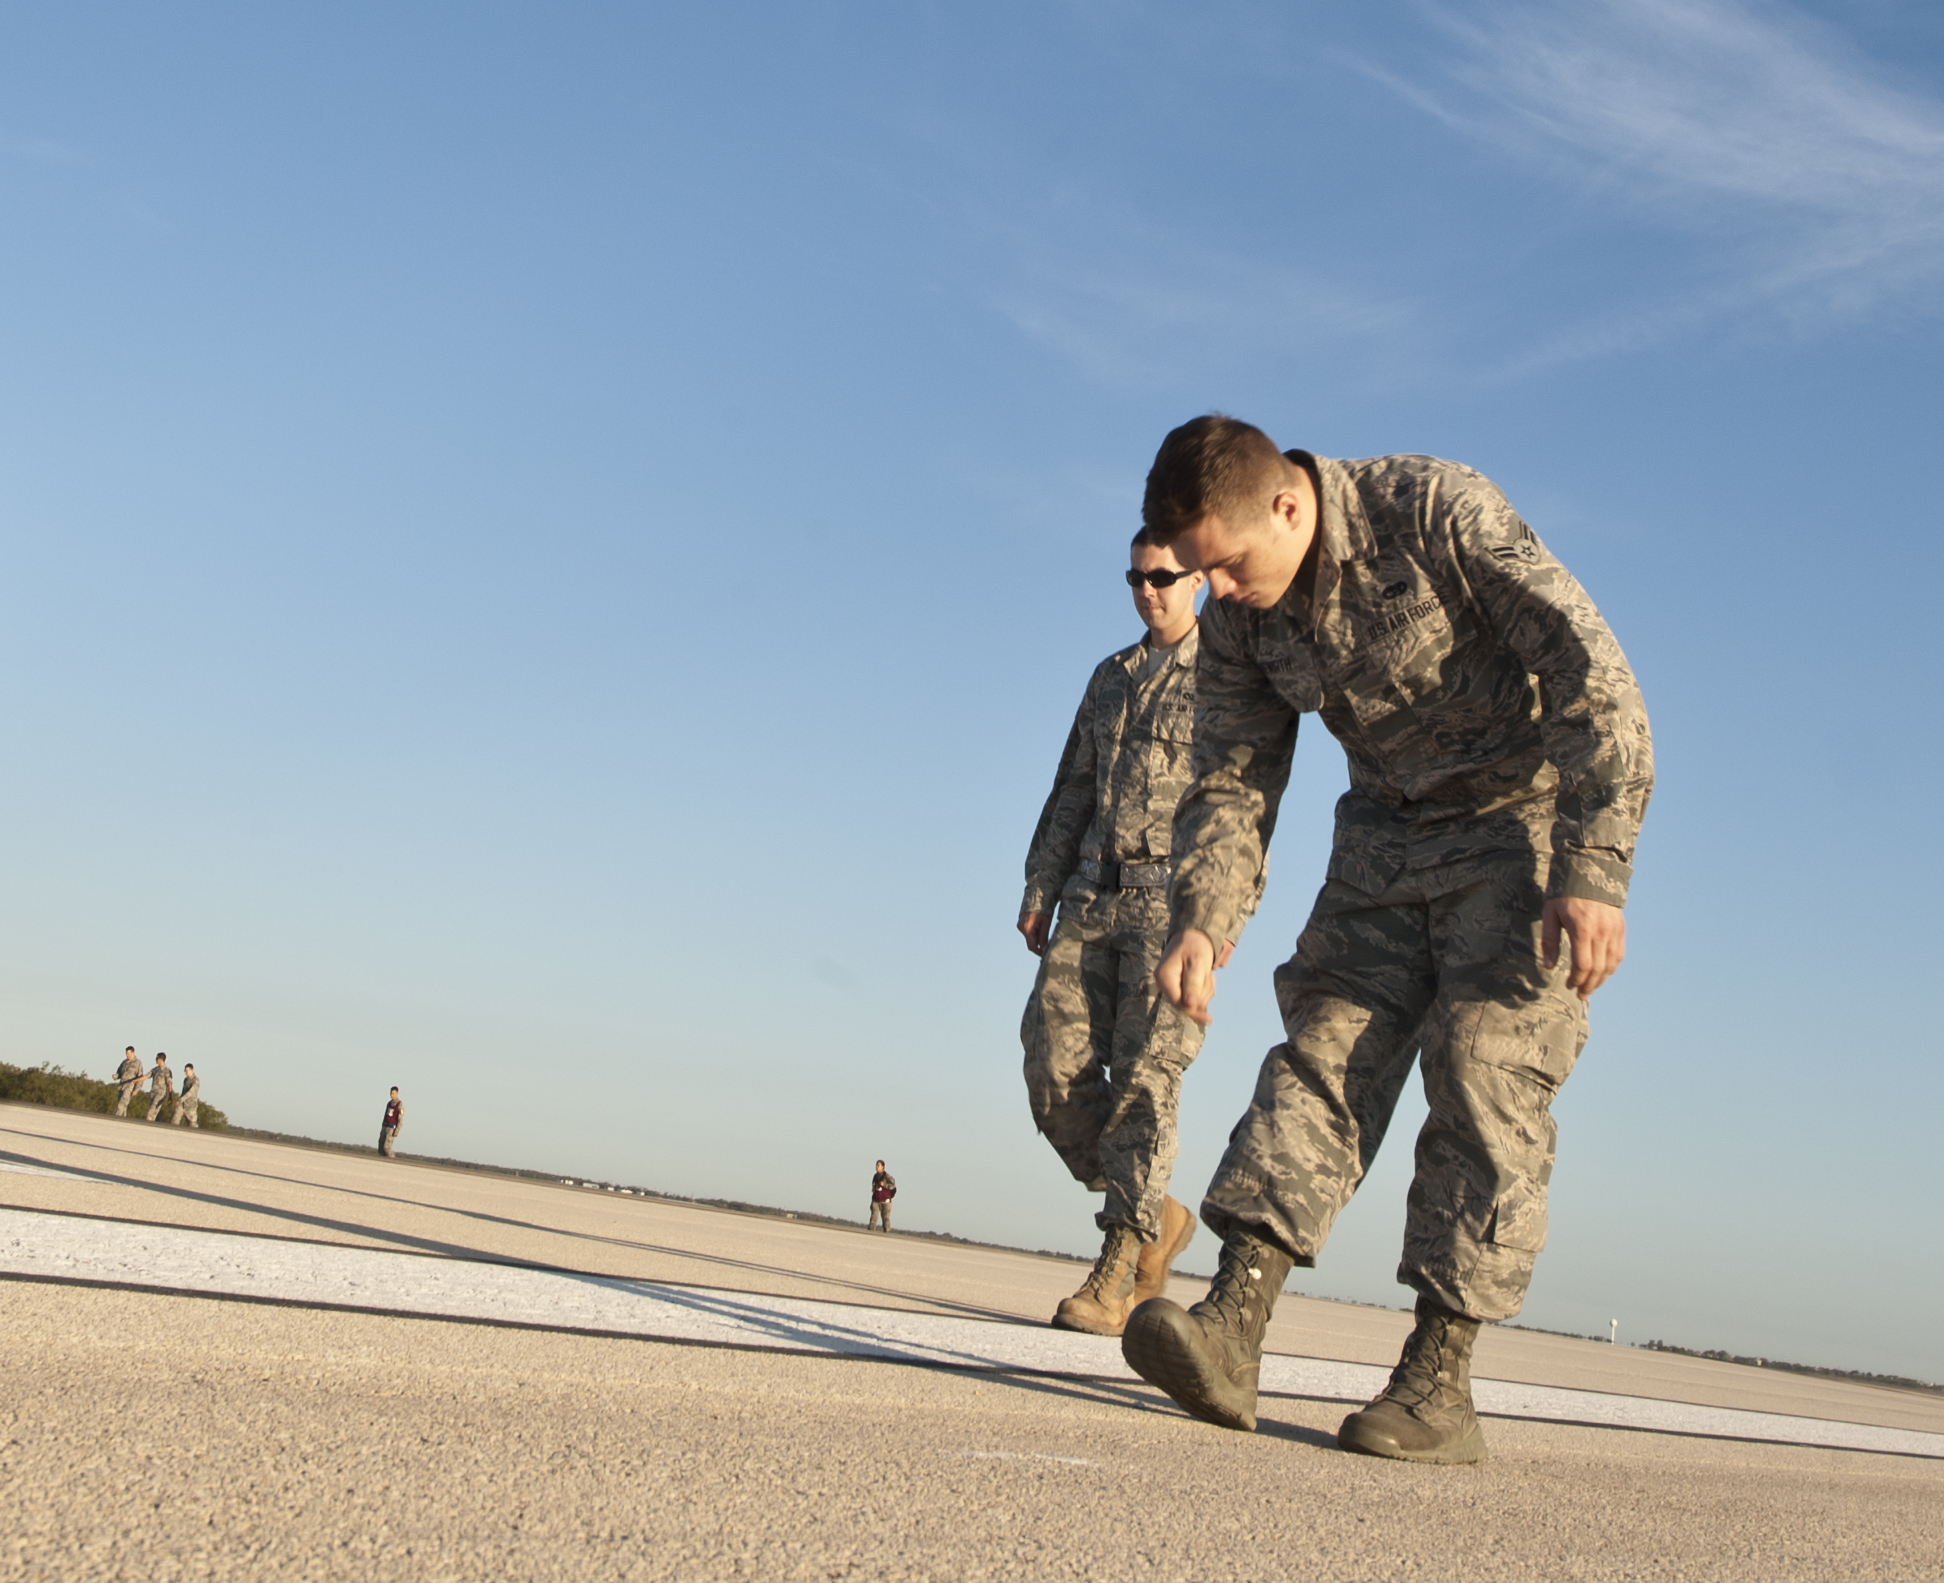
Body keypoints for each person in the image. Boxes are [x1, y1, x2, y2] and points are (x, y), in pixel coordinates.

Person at [1119, 417, 1653, 1465]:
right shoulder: (1239, 614)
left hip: (1520, 826)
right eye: (1195, 573)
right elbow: (1231, 772)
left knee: (1483, 1076)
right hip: (1386, 832)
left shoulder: (1434, 510)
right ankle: (1231, 1324)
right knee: (1320, 1050)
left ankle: (1437, 1382)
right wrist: (1203, 915)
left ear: (1287, 506)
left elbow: (1594, 676)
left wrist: (1595, 868)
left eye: (1223, 565)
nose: (1213, 593)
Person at [1017, 532, 1222, 1336]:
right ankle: (1157, 1210)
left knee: (1146, 1081)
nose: (1148, 591)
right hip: (1089, 897)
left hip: (1170, 909)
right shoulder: (1111, 679)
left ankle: (1121, 1266)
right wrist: (1041, 884)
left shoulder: (1223, 682)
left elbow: (1246, 809)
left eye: (1163, 577)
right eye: (1136, 578)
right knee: (1052, 1071)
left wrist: (1215, 922)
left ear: (1198, 579)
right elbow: (1070, 786)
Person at [143, 1053, 173, 1125]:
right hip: (153, 1093)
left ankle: (147, 1124)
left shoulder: (167, 1071)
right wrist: (135, 1080)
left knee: (152, 1110)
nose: (156, 1060)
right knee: (156, 1112)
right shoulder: (155, 1069)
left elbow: (169, 1084)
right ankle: (159, 1124)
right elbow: (146, 1076)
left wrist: (170, 1096)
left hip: (160, 1094)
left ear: (161, 1059)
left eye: (158, 1058)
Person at [113, 1047, 143, 1117]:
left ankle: (115, 1118)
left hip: (129, 1087)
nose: (127, 1055)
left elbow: (140, 1077)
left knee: (122, 1104)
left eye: (129, 1053)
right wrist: (115, 1076)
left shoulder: (137, 1063)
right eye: (126, 1053)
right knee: (123, 1107)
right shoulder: (124, 1062)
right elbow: (119, 1073)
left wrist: (136, 1090)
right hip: (121, 1086)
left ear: (133, 1053)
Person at [868, 1161, 896, 1232]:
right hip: (876, 1199)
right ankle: (871, 1231)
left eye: (878, 1165)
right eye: (876, 1165)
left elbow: (893, 1185)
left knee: (885, 1218)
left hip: (885, 1201)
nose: (876, 1167)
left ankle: (886, 1232)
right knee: (873, 1216)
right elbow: (874, 1188)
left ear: (882, 1167)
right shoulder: (875, 1176)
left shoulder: (887, 1176)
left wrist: (885, 1185)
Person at [172, 1063, 201, 1128]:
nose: (185, 1072)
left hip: (190, 1105)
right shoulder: (186, 1080)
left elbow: (190, 1092)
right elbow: (183, 1092)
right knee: (175, 1120)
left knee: (192, 1124)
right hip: (182, 1104)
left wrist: (181, 1099)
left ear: (191, 1070)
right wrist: (179, 1100)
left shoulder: (196, 1081)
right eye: (185, 1071)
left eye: (186, 1071)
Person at [378, 1088, 402, 1157]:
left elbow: (400, 1119)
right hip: (385, 1126)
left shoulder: (399, 1104)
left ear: (397, 1094)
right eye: (391, 1093)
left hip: (392, 1128)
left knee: (386, 1146)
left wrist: (397, 1130)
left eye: (394, 1093)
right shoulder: (389, 1103)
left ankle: (391, 1157)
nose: (392, 1095)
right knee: (381, 1146)